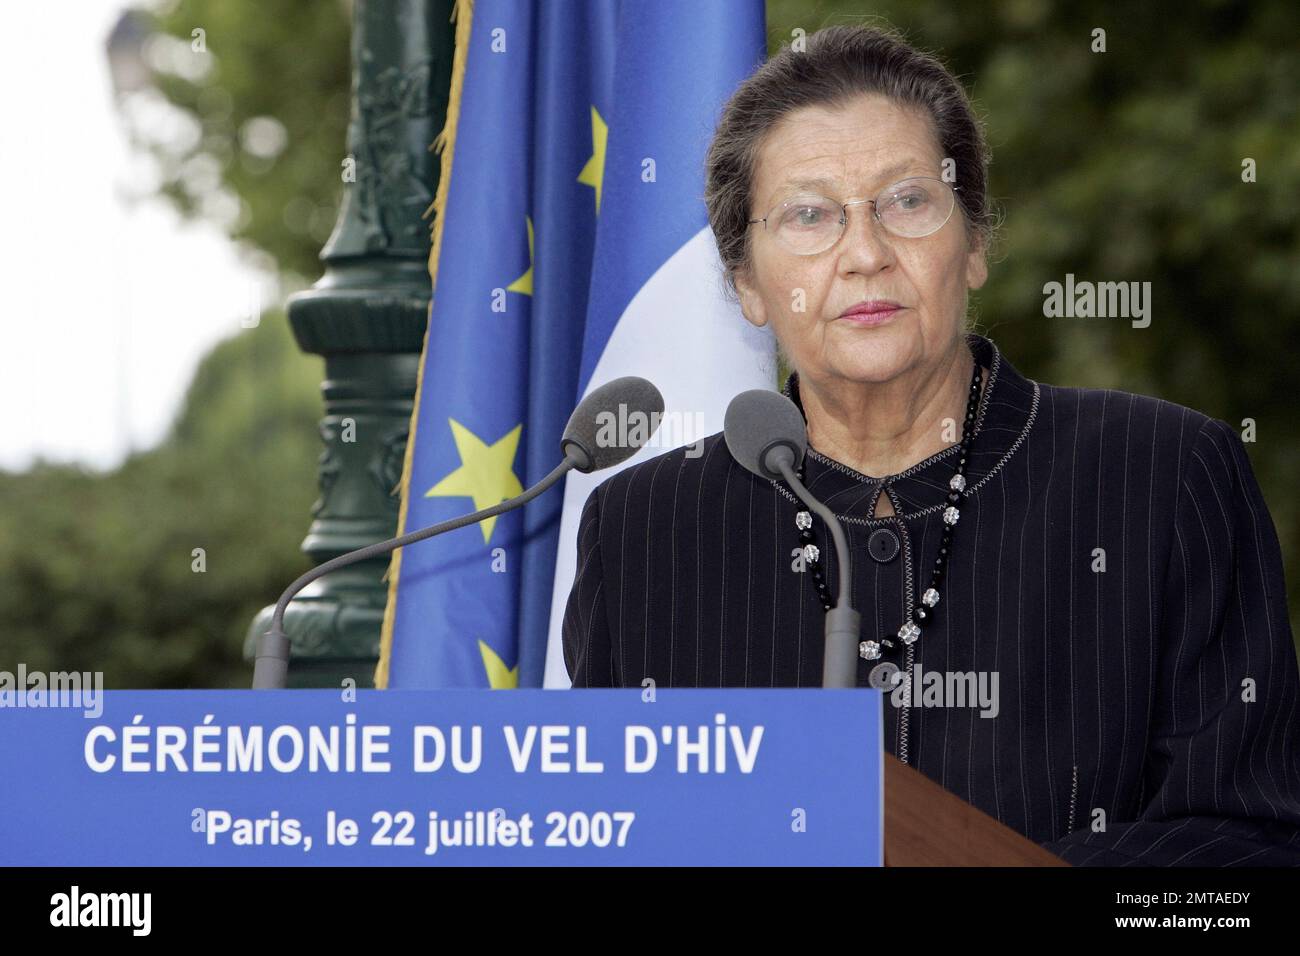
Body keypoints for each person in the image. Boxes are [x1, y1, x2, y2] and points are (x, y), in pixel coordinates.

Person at [561, 23, 1300, 866]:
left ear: (975, 242)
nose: (866, 254)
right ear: (747, 284)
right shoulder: (644, 530)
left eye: (908, 201)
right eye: (809, 215)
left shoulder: (1163, 478)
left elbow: (1249, 849)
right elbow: (608, 835)